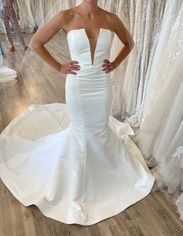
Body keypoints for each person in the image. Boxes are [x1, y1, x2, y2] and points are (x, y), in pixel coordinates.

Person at [0, 0, 155, 225]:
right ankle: (79, 183)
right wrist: (59, 66)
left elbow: (129, 43)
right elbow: (36, 42)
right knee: (82, 130)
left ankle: (105, 174)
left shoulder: (111, 19)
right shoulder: (66, 16)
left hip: (101, 84)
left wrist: (115, 63)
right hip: (78, 84)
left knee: (100, 128)